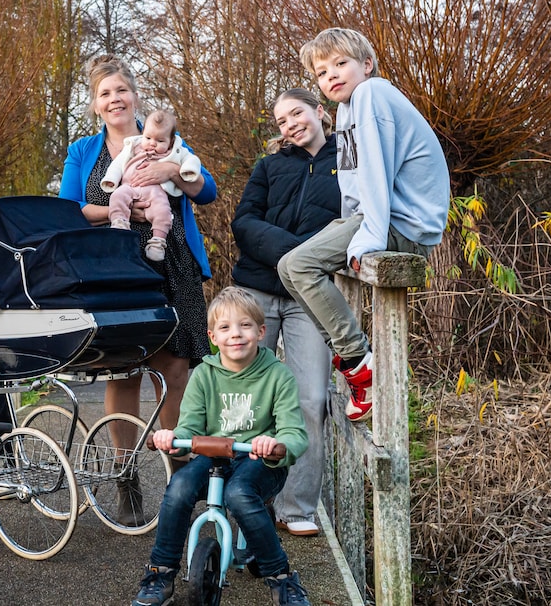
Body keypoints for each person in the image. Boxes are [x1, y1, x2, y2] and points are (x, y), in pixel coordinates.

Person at [59, 54, 217, 521]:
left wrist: (171, 172)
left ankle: (180, 481)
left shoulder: (165, 137)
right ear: (95, 104)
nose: (115, 100)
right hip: (112, 266)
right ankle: (125, 479)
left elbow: (205, 191)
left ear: (135, 95)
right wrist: (119, 212)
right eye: (105, 93)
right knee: (122, 369)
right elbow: (70, 209)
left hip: (171, 263)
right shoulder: (83, 151)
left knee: (173, 367)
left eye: (121, 90)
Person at [278, 27, 450, 422]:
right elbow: (353, 180)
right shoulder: (348, 108)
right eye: (321, 73)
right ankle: (354, 361)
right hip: (378, 218)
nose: (331, 76)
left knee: (300, 265)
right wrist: (347, 225)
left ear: (366, 65)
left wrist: (367, 236)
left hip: (403, 226)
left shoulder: (372, 95)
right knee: (290, 266)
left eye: (341, 64)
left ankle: (358, 362)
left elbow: (376, 172)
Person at [131, 286, 312, 606]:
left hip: (260, 461)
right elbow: (190, 426)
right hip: (213, 455)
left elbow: (294, 432)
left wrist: (277, 443)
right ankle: (160, 571)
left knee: (239, 494)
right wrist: (172, 437)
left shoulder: (278, 376)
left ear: (261, 331)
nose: (236, 335)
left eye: (245, 326)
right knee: (180, 485)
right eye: (225, 328)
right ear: (212, 337)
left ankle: (281, 578)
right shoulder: (203, 375)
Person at [232, 88, 341, 537]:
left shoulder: (349, 162)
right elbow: (244, 222)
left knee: (309, 399)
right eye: (281, 120)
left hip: (307, 299)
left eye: (296, 113)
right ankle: (243, 498)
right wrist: (297, 253)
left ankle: (295, 506)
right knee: (243, 398)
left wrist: (308, 263)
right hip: (255, 290)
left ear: (319, 111)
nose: (290, 124)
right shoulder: (269, 165)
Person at [101, 109, 204, 262]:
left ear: (170, 141)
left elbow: (192, 161)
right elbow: (117, 164)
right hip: (130, 185)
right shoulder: (133, 146)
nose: (152, 143)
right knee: (117, 196)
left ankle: (158, 242)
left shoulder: (177, 151)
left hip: (157, 192)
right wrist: (111, 179)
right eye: (148, 137)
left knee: (163, 212)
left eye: (160, 141)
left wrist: (185, 171)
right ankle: (119, 223)